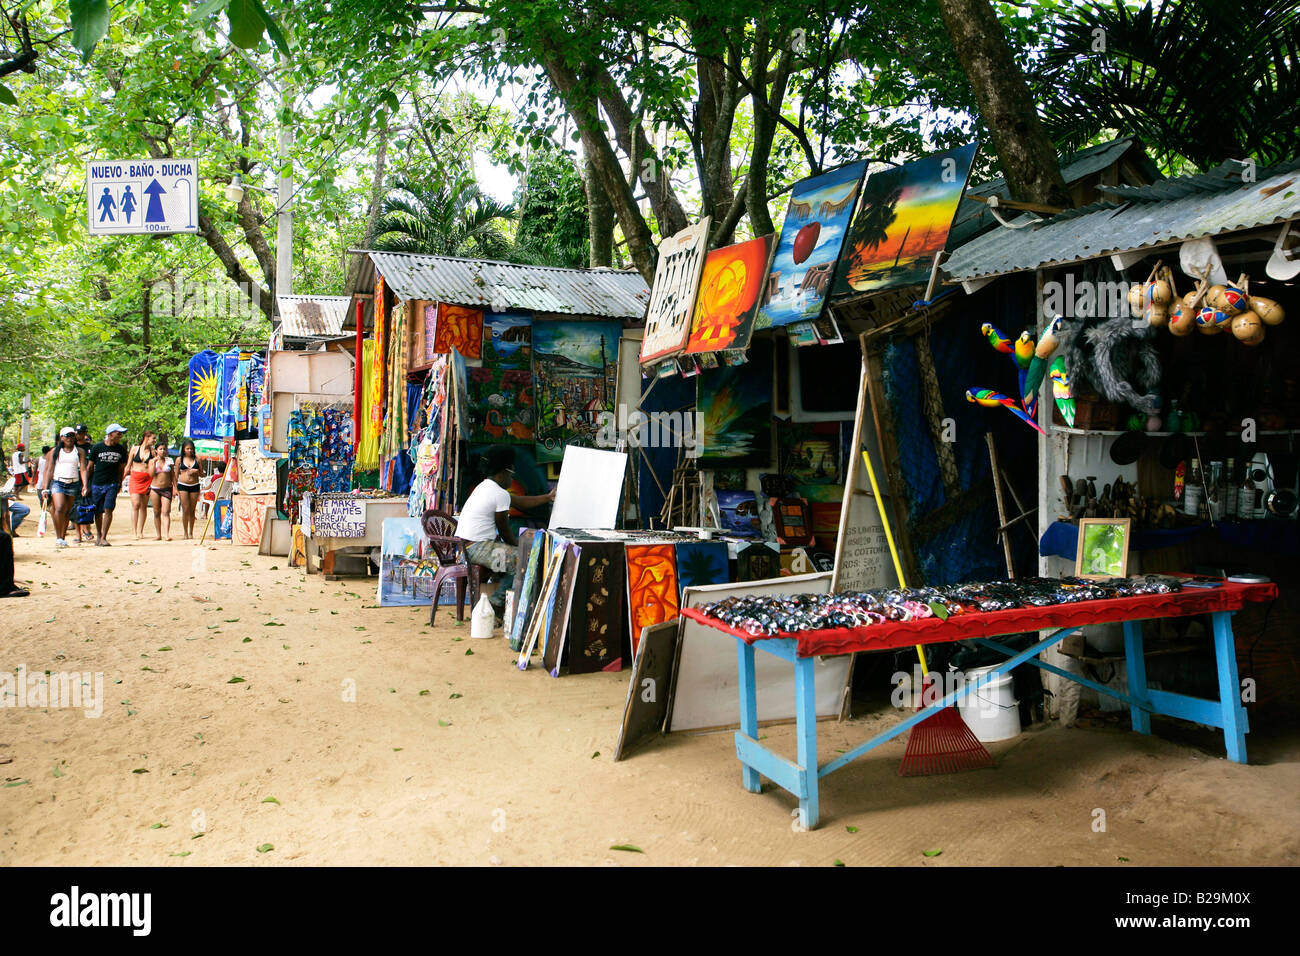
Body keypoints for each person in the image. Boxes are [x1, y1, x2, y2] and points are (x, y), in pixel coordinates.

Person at [454, 445, 555, 620]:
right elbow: (504, 529)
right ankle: (497, 604)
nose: (512, 477)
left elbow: (520, 502)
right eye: (510, 473)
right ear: (501, 473)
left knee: (514, 558)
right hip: (478, 548)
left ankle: (500, 603)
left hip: (469, 546)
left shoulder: (486, 487)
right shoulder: (499, 493)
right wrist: (519, 545)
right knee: (524, 560)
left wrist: (547, 497)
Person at [37, 428, 89, 549]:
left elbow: (83, 469)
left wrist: (85, 485)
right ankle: (59, 537)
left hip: (73, 483)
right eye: (67, 436)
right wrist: (45, 487)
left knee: (66, 511)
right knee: (59, 508)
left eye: (72, 435)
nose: (70, 438)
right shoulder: (55, 451)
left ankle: (62, 538)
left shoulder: (79, 451)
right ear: (61, 438)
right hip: (58, 482)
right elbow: (48, 470)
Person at [87, 424, 128, 546]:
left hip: (112, 483)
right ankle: (99, 535)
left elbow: (121, 468)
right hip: (97, 483)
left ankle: (104, 537)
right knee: (98, 511)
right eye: (118, 433)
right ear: (110, 434)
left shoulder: (121, 449)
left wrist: (120, 482)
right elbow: (89, 467)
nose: (120, 436)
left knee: (109, 509)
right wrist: (87, 484)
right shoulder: (97, 448)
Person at [126, 430, 156, 539]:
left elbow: (154, 468)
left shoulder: (153, 452)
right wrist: (121, 480)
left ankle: (140, 531)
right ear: (146, 437)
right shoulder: (134, 449)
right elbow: (128, 466)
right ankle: (133, 531)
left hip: (147, 479)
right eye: (153, 438)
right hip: (135, 478)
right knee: (135, 504)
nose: (154, 440)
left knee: (143, 506)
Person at [73, 425, 96, 543]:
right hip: (73, 480)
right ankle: (78, 534)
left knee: (87, 505)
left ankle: (86, 528)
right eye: (76, 433)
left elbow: (91, 465)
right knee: (74, 506)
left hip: (88, 480)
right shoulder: (71, 448)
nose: (78, 435)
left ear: (85, 433)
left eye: (81, 433)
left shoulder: (91, 448)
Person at [175, 439, 202, 540]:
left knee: (192, 510)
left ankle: (191, 532)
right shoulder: (179, 460)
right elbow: (176, 474)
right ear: (184, 449)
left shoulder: (197, 459)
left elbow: (202, 474)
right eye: (187, 449)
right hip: (183, 485)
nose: (189, 451)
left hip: (194, 485)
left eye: (191, 449)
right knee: (185, 509)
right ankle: (185, 532)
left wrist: (197, 471)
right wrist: (175, 487)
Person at [148, 439, 174, 541]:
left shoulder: (169, 461)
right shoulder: (152, 461)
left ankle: (167, 534)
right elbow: (150, 474)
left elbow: (173, 476)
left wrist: (175, 488)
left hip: (167, 488)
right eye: (160, 449)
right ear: (156, 451)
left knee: (166, 511)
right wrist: (154, 463)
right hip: (155, 488)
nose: (162, 451)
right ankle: (158, 534)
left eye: (164, 449)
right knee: (156, 512)